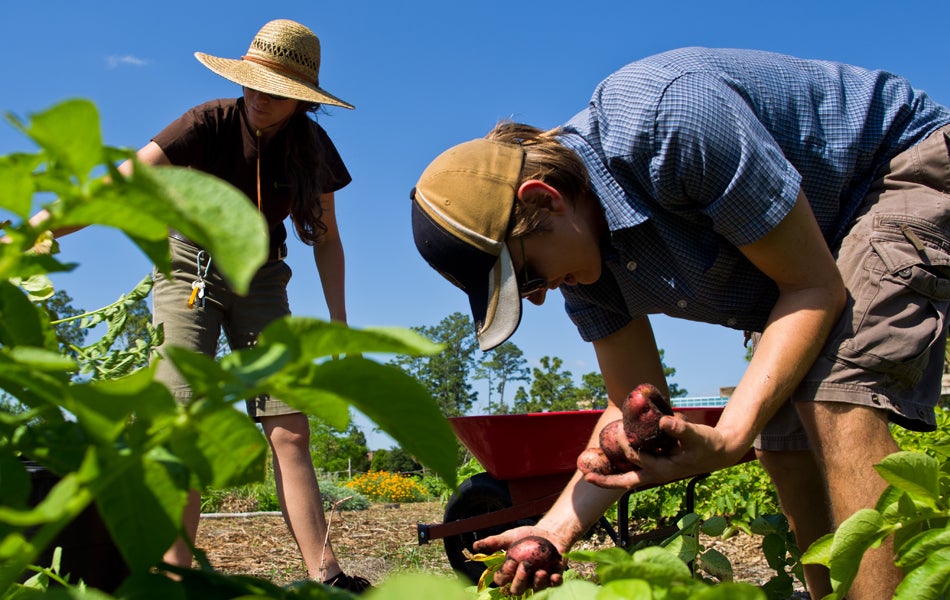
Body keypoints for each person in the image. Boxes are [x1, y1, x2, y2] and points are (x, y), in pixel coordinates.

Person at [410, 47, 950, 598]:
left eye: (526, 277)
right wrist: (555, 530)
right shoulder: (586, 269)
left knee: (834, 393)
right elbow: (631, 409)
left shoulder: (666, 121)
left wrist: (728, 437)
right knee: (783, 448)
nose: (541, 298)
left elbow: (812, 286)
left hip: (892, 169)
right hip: (806, 257)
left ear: (545, 200)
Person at [30, 19, 370, 593]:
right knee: (181, 421)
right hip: (189, 266)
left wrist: (338, 323)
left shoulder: (310, 148)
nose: (261, 97)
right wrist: (38, 231)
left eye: (277, 90)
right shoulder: (207, 121)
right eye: (253, 83)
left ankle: (326, 575)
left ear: (301, 99)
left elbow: (327, 238)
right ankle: (173, 577)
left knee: (289, 427)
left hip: (262, 274)